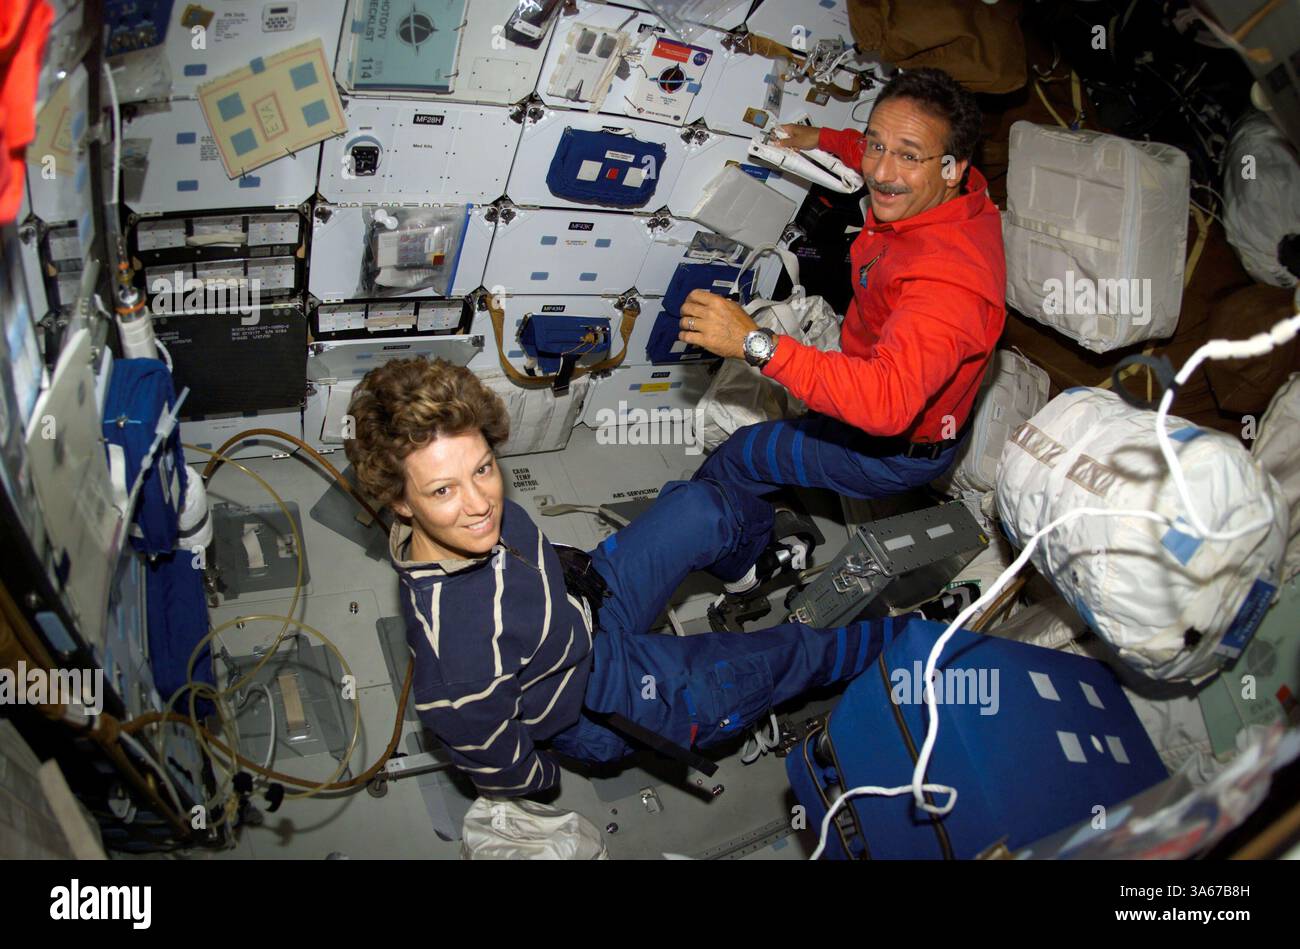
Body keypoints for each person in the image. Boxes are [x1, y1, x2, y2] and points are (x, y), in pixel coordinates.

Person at [344, 356, 908, 797]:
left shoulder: (476, 517)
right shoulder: (456, 672)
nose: (479, 505)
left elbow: (511, 541)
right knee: (782, 657)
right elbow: (506, 770)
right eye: (442, 490)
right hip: (594, 692)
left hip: (583, 598)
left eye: (484, 468)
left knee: (702, 509)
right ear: (399, 501)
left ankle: (745, 572)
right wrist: (563, 758)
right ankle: (912, 641)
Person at [678, 67, 1006, 594]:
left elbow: (885, 405)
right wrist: (819, 139)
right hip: (892, 386)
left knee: (743, 455)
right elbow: (884, 149)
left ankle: (738, 563)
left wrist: (752, 343)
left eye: (906, 155)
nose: (880, 170)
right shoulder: (950, 185)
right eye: (877, 145)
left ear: (952, 167)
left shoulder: (950, 283)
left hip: (890, 444)